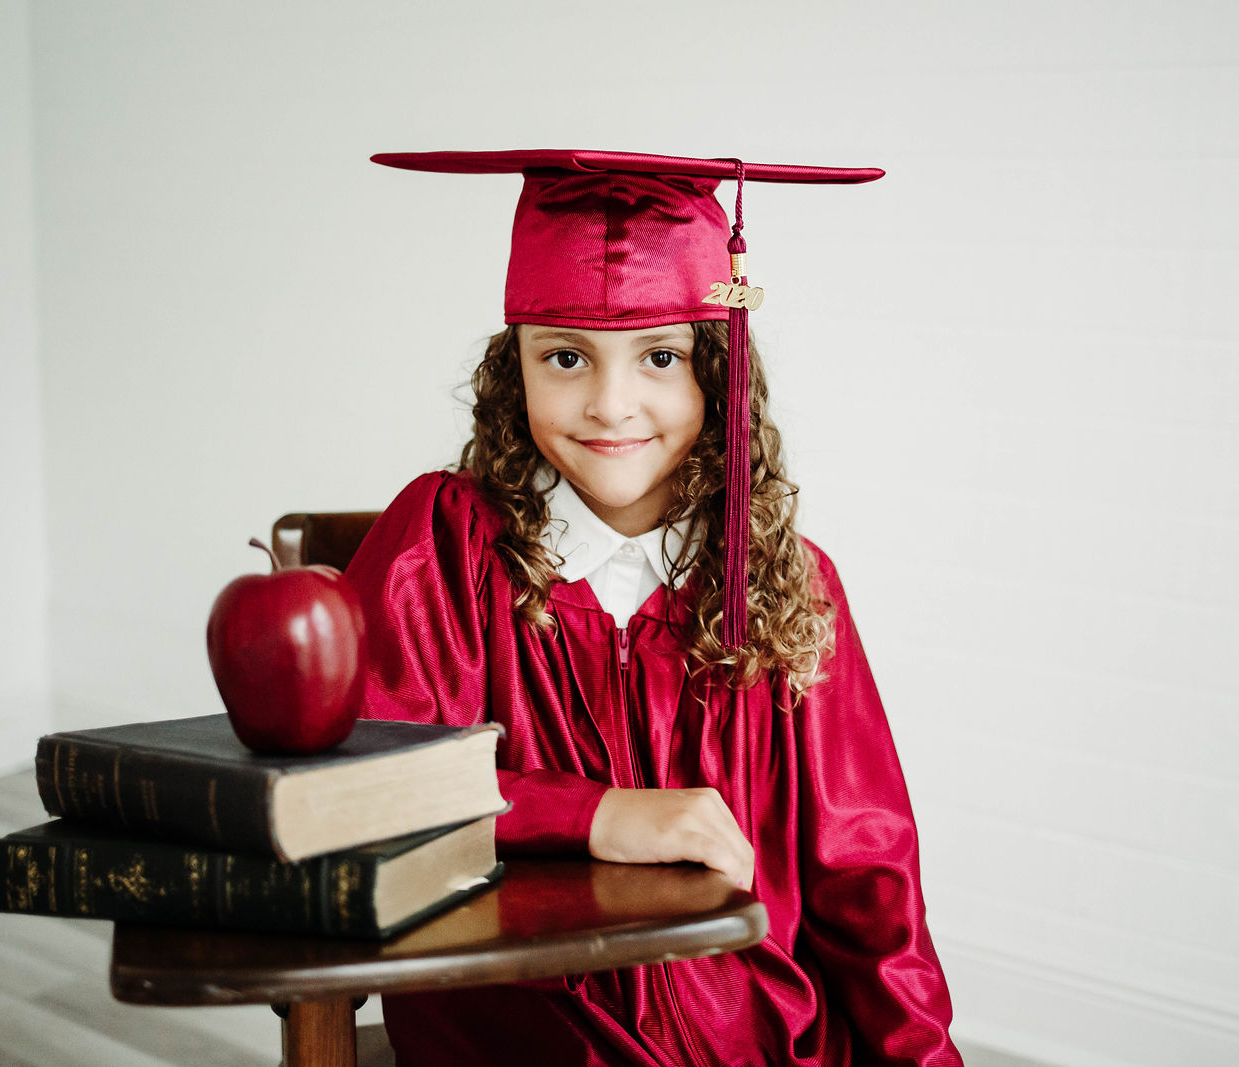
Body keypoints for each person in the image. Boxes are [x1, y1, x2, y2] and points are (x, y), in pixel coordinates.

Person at [343, 150, 962, 1066]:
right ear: (513, 371)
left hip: (761, 1039)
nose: (611, 403)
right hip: (529, 1035)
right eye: (564, 356)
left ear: (720, 374)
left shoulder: (784, 580)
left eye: (661, 357)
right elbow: (362, 788)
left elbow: (867, 878)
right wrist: (595, 814)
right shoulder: (444, 545)